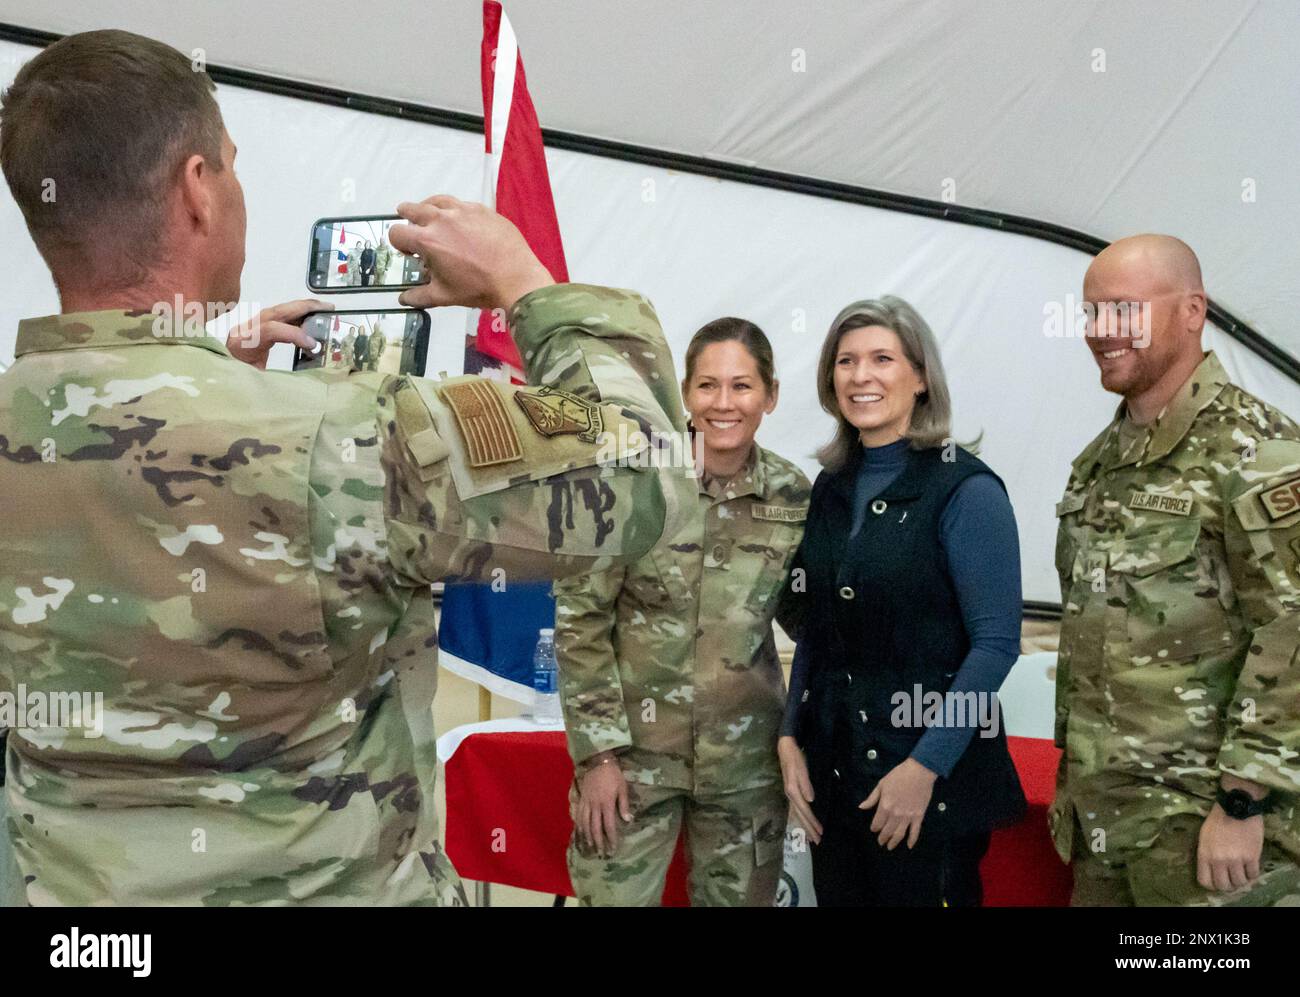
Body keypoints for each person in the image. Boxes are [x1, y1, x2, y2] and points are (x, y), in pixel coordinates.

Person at [0, 29, 694, 906]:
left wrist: (195, 377)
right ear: (197, 191)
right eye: (232, 165)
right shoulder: (344, 431)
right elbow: (651, 476)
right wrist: (526, 283)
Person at [1051, 234, 1300, 906]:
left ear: (1193, 311)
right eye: (1092, 312)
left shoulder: (1261, 451)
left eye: (1124, 310)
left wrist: (1243, 803)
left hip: (1212, 834)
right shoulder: (1097, 463)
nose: (1102, 332)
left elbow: (1292, 633)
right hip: (1108, 826)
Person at [777, 296, 1026, 906]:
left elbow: (996, 647)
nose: (861, 376)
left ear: (920, 377)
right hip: (834, 782)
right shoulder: (830, 488)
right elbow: (815, 630)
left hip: (924, 787)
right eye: (846, 361)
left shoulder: (966, 489)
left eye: (883, 358)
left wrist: (925, 768)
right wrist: (790, 737)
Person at [555, 318, 811, 906]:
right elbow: (581, 620)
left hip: (745, 771)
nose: (724, 404)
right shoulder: (632, 481)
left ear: (770, 396)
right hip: (631, 764)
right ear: (683, 394)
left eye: (742, 387)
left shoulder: (793, 496)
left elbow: (810, 619)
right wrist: (596, 756)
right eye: (707, 386)